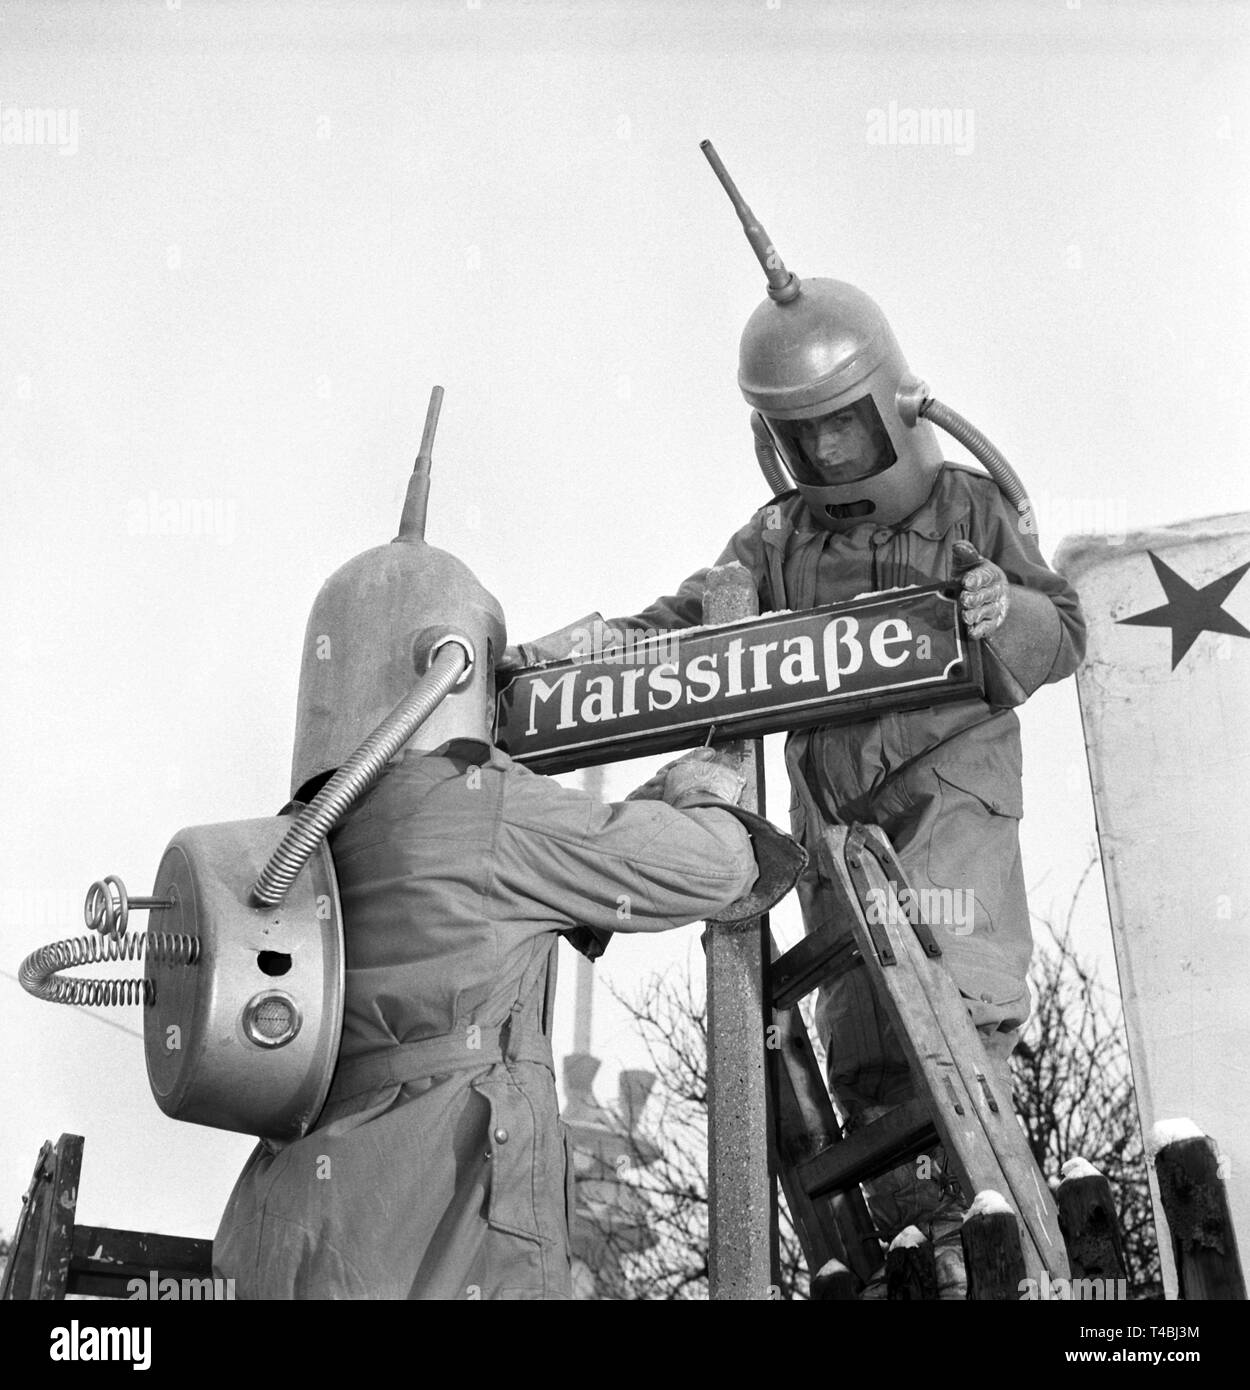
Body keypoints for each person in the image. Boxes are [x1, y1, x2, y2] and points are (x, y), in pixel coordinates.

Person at [505, 259, 1086, 1296]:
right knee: (864, 1044)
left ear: (888, 409)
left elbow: (1065, 629)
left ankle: (986, 1237)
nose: (825, 450)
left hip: (947, 790)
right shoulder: (774, 541)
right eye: (802, 432)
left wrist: (1012, 607)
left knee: (951, 1005)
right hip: (836, 818)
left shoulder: (967, 503)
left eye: (841, 425)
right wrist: (560, 665)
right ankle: (914, 1254)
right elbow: (682, 627)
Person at [213, 519, 803, 1301]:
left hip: (285, 1234)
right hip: (437, 1230)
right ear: (454, 670)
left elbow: (527, 892)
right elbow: (714, 868)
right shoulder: (482, 809)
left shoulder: (298, 841)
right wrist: (701, 798)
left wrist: (646, 804)